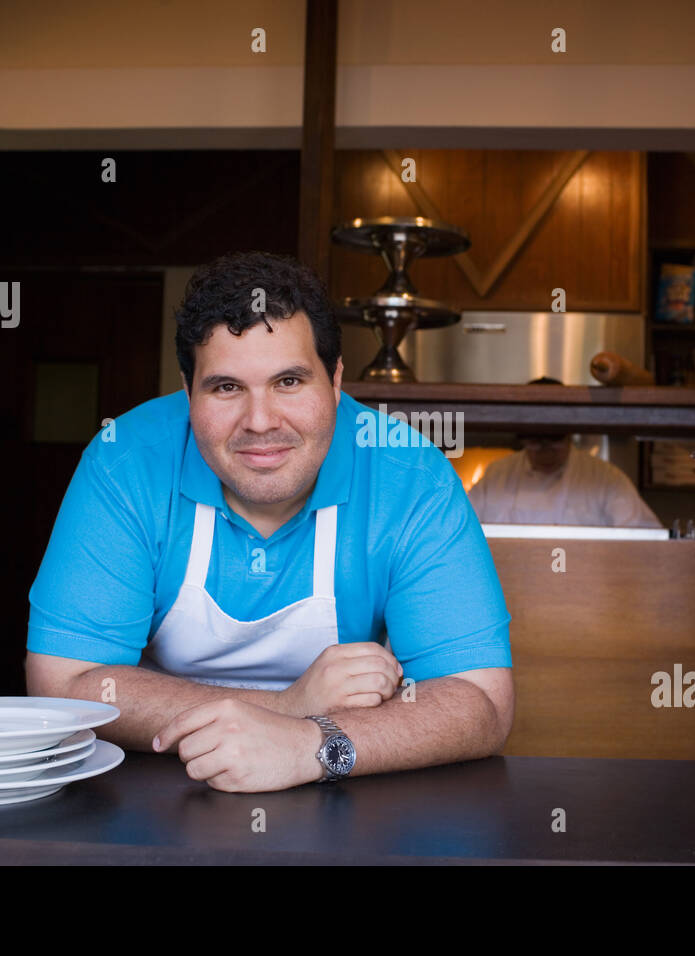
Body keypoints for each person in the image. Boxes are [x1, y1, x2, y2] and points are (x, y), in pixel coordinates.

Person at [25, 251, 513, 793]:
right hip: (163, 793)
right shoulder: (126, 460)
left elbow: (480, 701)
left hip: (342, 796)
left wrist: (311, 744)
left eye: (288, 381)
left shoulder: (409, 474)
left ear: (335, 381)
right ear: (188, 394)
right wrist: (287, 706)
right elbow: (63, 685)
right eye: (227, 388)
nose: (260, 422)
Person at [467, 378, 663, 528]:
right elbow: (459, 530)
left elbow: (645, 538)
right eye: (535, 442)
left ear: (570, 433)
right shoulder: (496, 476)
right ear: (522, 438)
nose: (545, 451)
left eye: (554, 441)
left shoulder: (605, 479)